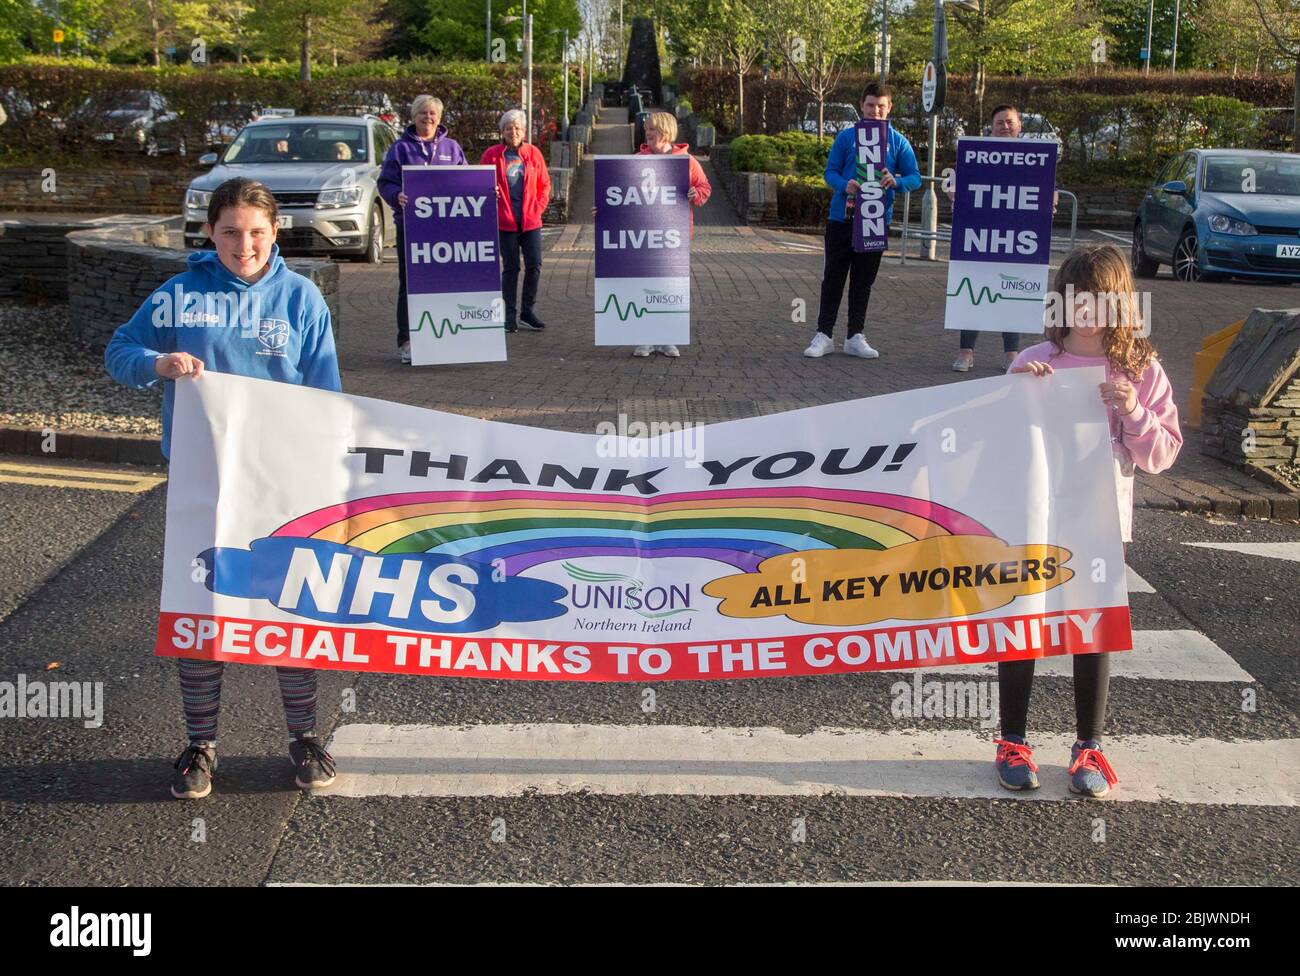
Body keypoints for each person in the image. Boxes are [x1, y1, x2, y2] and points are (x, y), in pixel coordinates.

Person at [104, 178, 342, 800]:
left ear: (275, 232)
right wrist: (157, 364)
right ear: (210, 231)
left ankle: (305, 736)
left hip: (283, 481)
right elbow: (119, 349)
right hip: (203, 482)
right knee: (202, 609)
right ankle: (201, 744)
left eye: (257, 231)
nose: (245, 244)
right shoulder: (180, 295)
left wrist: (328, 466)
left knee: (290, 605)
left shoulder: (302, 299)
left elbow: (326, 394)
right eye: (231, 231)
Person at [997, 244, 1182, 798]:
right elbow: (991, 445)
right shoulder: (1035, 358)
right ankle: (1012, 740)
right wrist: (1015, 393)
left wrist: (1133, 410)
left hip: (1099, 521)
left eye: (1097, 300)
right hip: (1030, 519)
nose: (1084, 311)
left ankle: (1089, 746)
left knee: (1093, 630)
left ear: (1120, 303)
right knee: (1022, 625)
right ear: (1059, 301)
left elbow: (1162, 454)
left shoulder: (1140, 370)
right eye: (1075, 299)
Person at [805, 82, 921, 360]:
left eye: (881, 106)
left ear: (889, 107)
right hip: (842, 218)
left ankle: (855, 335)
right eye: (871, 105)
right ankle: (824, 334)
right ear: (862, 106)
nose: (876, 111)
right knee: (833, 277)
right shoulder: (846, 138)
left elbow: (915, 177)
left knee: (863, 281)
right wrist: (846, 185)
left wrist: (898, 181)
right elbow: (830, 172)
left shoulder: (897, 141)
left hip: (876, 220)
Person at [951, 104, 1060, 373]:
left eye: (1010, 122)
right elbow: (961, 185)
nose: (1005, 127)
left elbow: (1047, 189)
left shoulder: (1035, 158)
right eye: (1000, 122)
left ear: (1020, 125)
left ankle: (1012, 355)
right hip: (980, 238)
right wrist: (956, 194)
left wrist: (1052, 199)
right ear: (991, 126)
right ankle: (966, 352)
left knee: (1013, 295)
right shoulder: (977, 155)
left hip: (1018, 240)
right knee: (972, 291)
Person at [377, 94, 468, 363]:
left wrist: (487, 191)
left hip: (446, 230)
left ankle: (444, 339)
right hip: (412, 228)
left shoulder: (452, 148)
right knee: (410, 285)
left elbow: (465, 180)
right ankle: (407, 341)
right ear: (414, 116)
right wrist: (397, 196)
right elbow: (385, 183)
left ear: (440, 118)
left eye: (433, 114)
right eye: (423, 113)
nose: (428, 118)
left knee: (444, 284)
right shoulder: (400, 149)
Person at [630, 110, 711, 358]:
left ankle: (667, 338)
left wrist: (695, 195)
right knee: (645, 286)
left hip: (674, 235)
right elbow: (620, 192)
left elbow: (704, 187)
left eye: (652, 129)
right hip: (644, 234)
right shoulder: (636, 159)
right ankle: (645, 337)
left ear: (665, 132)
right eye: (647, 130)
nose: (648, 134)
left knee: (669, 287)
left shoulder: (686, 161)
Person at [482, 109, 552, 334]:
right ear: (502, 131)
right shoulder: (492, 155)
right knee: (511, 268)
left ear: (524, 131)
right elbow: (479, 184)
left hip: (530, 221)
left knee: (534, 265)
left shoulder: (533, 154)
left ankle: (527, 312)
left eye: (517, 128)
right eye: (508, 128)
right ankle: (509, 316)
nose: (513, 132)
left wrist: (537, 209)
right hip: (505, 222)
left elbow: (544, 186)